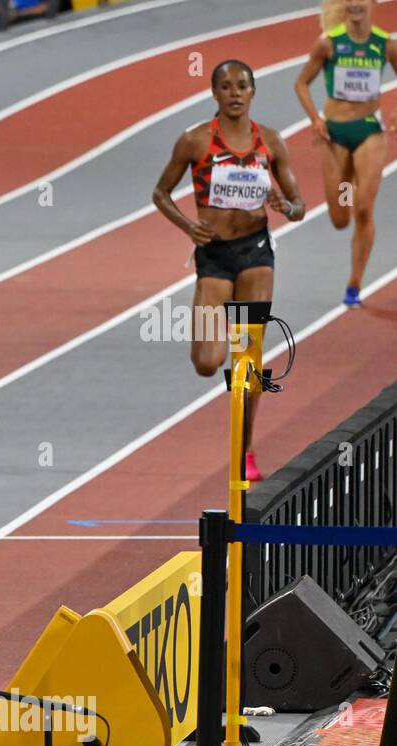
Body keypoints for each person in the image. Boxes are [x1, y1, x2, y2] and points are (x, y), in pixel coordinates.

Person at [152, 60, 304, 483]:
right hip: (214, 259)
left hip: (256, 254)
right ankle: (234, 387)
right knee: (207, 360)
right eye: (225, 86)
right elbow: (160, 192)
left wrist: (284, 207)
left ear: (253, 91)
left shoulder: (270, 142)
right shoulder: (195, 141)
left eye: (242, 85)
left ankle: (246, 448)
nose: (234, 92)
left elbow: (299, 206)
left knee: (247, 357)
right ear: (214, 93)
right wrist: (187, 225)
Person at [294, 0, 397, 308]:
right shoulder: (328, 44)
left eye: (361, 0)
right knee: (340, 217)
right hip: (336, 136)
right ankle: (349, 180)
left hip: (369, 132)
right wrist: (315, 118)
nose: (355, 4)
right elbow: (301, 83)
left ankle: (354, 284)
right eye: (349, 0)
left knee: (363, 210)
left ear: (371, 4)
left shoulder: (385, 44)